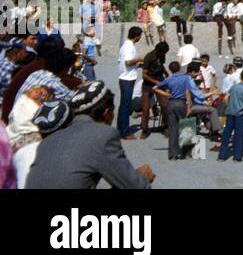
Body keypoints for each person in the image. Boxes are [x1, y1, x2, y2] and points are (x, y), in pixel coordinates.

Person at [26, 81, 154, 189]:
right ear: (107, 113)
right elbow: (135, 186)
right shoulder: (103, 136)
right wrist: (142, 178)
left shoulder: (49, 141)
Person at [157, 61, 213, 160]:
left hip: (171, 103)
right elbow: (187, 92)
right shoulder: (185, 78)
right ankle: (185, 152)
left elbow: (155, 87)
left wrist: (167, 95)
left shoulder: (169, 79)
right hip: (181, 103)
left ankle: (172, 154)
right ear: (179, 68)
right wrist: (189, 106)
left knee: (173, 130)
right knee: (186, 127)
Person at [218, 69, 243, 162]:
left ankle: (222, 156)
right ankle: (237, 156)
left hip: (230, 113)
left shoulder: (234, 87)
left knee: (226, 134)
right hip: (240, 114)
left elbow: (225, 98)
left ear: (240, 76)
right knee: (238, 135)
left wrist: (229, 105)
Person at [117, 26, 144, 139]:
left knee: (124, 105)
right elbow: (128, 62)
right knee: (125, 105)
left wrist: (137, 65)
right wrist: (138, 59)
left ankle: (121, 128)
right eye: (140, 36)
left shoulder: (127, 45)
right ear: (136, 36)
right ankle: (125, 132)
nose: (140, 38)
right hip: (127, 79)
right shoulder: (128, 47)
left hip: (127, 78)